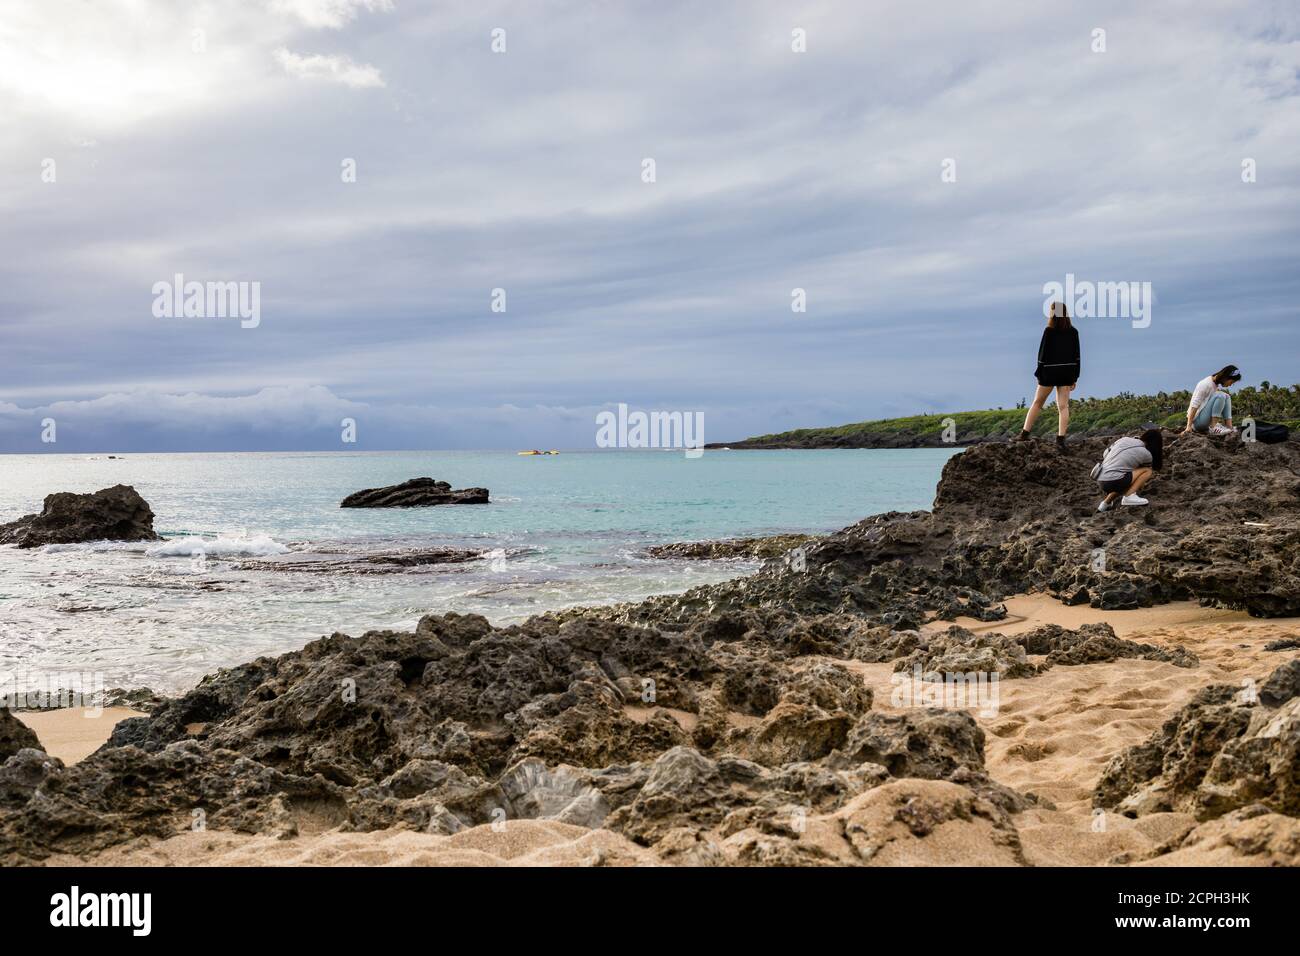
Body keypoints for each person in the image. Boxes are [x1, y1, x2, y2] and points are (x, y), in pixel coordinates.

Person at [1016, 301, 1080, 449]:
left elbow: (1042, 355)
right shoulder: (1073, 332)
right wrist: (1075, 377)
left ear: (1052, 313)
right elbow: (1077, 356)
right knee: (1063, 407)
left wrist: (1039, 373)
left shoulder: (1049, 331)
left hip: (1049, 373)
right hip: (1066, 373)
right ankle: (1060, 439)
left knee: (1037, 403)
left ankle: (1024, 434)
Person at [1095, 428, 1163, 511]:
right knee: (1147, 471)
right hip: (1114, 480)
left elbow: (1105, 453)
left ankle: (1105, 504)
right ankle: (1129, 496)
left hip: (1101, 479)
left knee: (1123, 478)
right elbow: (1142, 472)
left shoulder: (1124, 439)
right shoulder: (1146, 454)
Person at [1183, 365, 1242, 435]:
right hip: (1196, 423)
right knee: (1220, 395)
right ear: (1226, 377)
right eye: (1231, 382)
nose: (1230, 385)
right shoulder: (1205, 384)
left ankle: (1229, 426)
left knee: (1227, 396)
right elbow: (1194, 405)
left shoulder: (1214, 384)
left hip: (1203, 421)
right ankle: (1214, 427)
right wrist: (1188, 426)